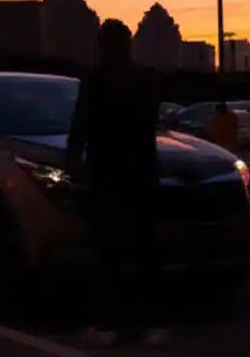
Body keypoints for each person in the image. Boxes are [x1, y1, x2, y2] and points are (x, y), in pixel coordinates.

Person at [66, 19, 167, 348]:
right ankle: (149, 324)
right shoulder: (147, 80)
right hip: (141, 174)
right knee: (143, 251)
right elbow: (151, 127)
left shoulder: (94, 81)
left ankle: (108, 323)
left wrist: (74, 164)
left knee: (108, 252)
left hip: (107, 175)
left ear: (103, 46)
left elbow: (80, 126)